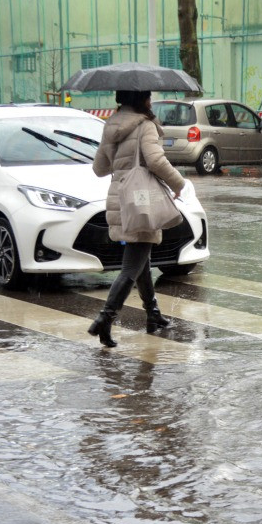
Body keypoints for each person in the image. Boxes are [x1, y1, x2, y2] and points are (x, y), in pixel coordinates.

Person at [88, 89, 187, 348]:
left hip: (121, 199)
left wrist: (121, 160)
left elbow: (99, 169)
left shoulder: (111, 125)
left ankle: (153, 314)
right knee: (131, 266)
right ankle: (104, 320)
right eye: (149, 97)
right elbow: (155, 160)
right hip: (140, 201)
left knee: (142, 257)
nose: (151, 101)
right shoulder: (145, 125)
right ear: (142, 99)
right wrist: (178, 183)